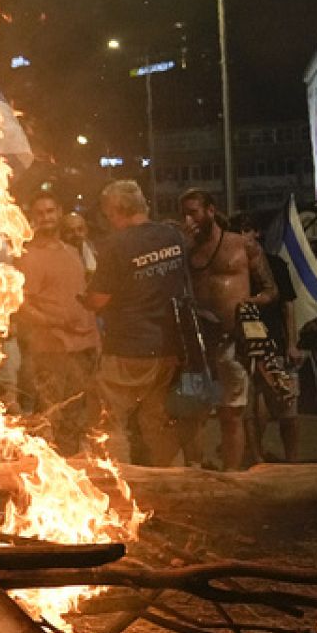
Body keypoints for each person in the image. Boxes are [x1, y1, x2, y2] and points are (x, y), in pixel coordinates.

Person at [81, 180, 185, 465]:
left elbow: (98, 300)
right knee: (157, 422)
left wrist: (85, 299)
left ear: (117, 210)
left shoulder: (117, 245)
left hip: (129, 348)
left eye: (108, 214)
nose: (108, 220)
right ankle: (173, 481)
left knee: (107, 420)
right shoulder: (172, 236)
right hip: (169, 347)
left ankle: (117, 482)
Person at [178, 189, 279, 470]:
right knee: (193, 412)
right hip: (197, 344)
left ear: (211, 210)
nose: (188, 220)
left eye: (193, 212)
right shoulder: (184, 249)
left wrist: (249, 304)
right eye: (184, 214)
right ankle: (195, 471)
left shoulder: (242, 245)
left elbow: (270, 290)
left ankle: (231, 475)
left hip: (232, 340)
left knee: (232, 413)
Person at [13, 190, 101, 455]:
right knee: (51, 417)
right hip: (50, 351)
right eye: (40, 213)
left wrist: (95, 339)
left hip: (82, 348)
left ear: (59, 213)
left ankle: (70, 470)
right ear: (33, 218)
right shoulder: (29, 256)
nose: (46, 217)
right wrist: (55, 322)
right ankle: (49, 471)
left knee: (76, 418)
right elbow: (21, 304)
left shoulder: (73, 252)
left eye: (50, 211)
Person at [231, 212, 302, 463]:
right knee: (252, 408)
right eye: (238, 231)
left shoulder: (275, 264)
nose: (242, 236)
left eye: (246, 230)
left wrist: (292, 344)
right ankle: (256, 458)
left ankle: (292, 460)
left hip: (274, 343)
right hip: (243, 346)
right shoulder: (232, 268)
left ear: (257, 233)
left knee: (286, 404)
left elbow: (287, 305)